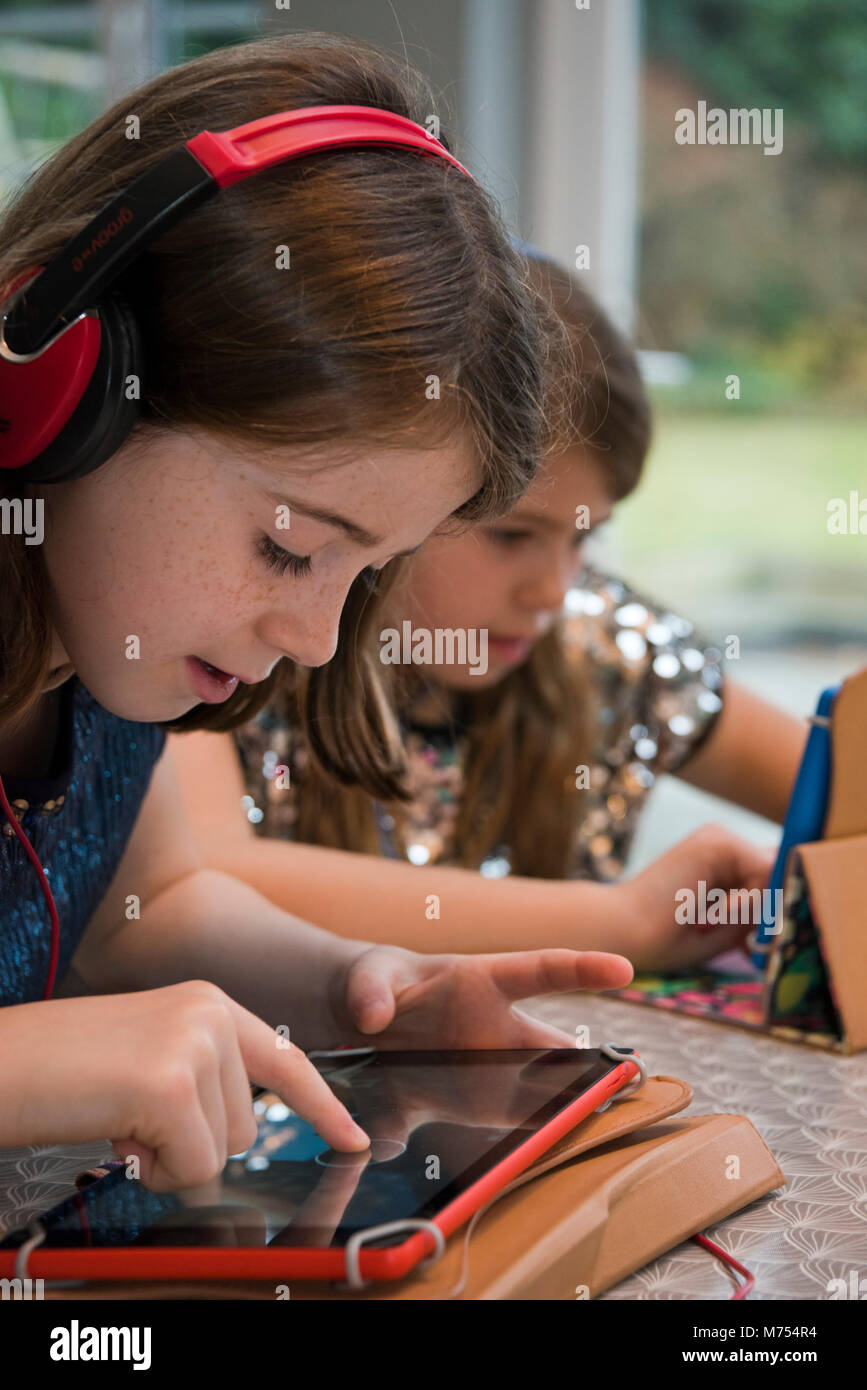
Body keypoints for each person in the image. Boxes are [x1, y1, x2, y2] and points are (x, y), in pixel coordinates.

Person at [0, 33, 642, 1194]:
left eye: (367, 573)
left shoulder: (97, 658)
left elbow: (148, 910)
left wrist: (361, 981)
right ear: (54, 386)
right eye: (289, 545)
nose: (314, 640)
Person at [169, 255, 797, 972]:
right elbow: (203, 880)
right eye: (513, 536)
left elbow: (839, 783)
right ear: (394, 501)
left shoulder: (609, 646)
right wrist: (619, 921)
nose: (553, 592)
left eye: (583, 538)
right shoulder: (238, 641)